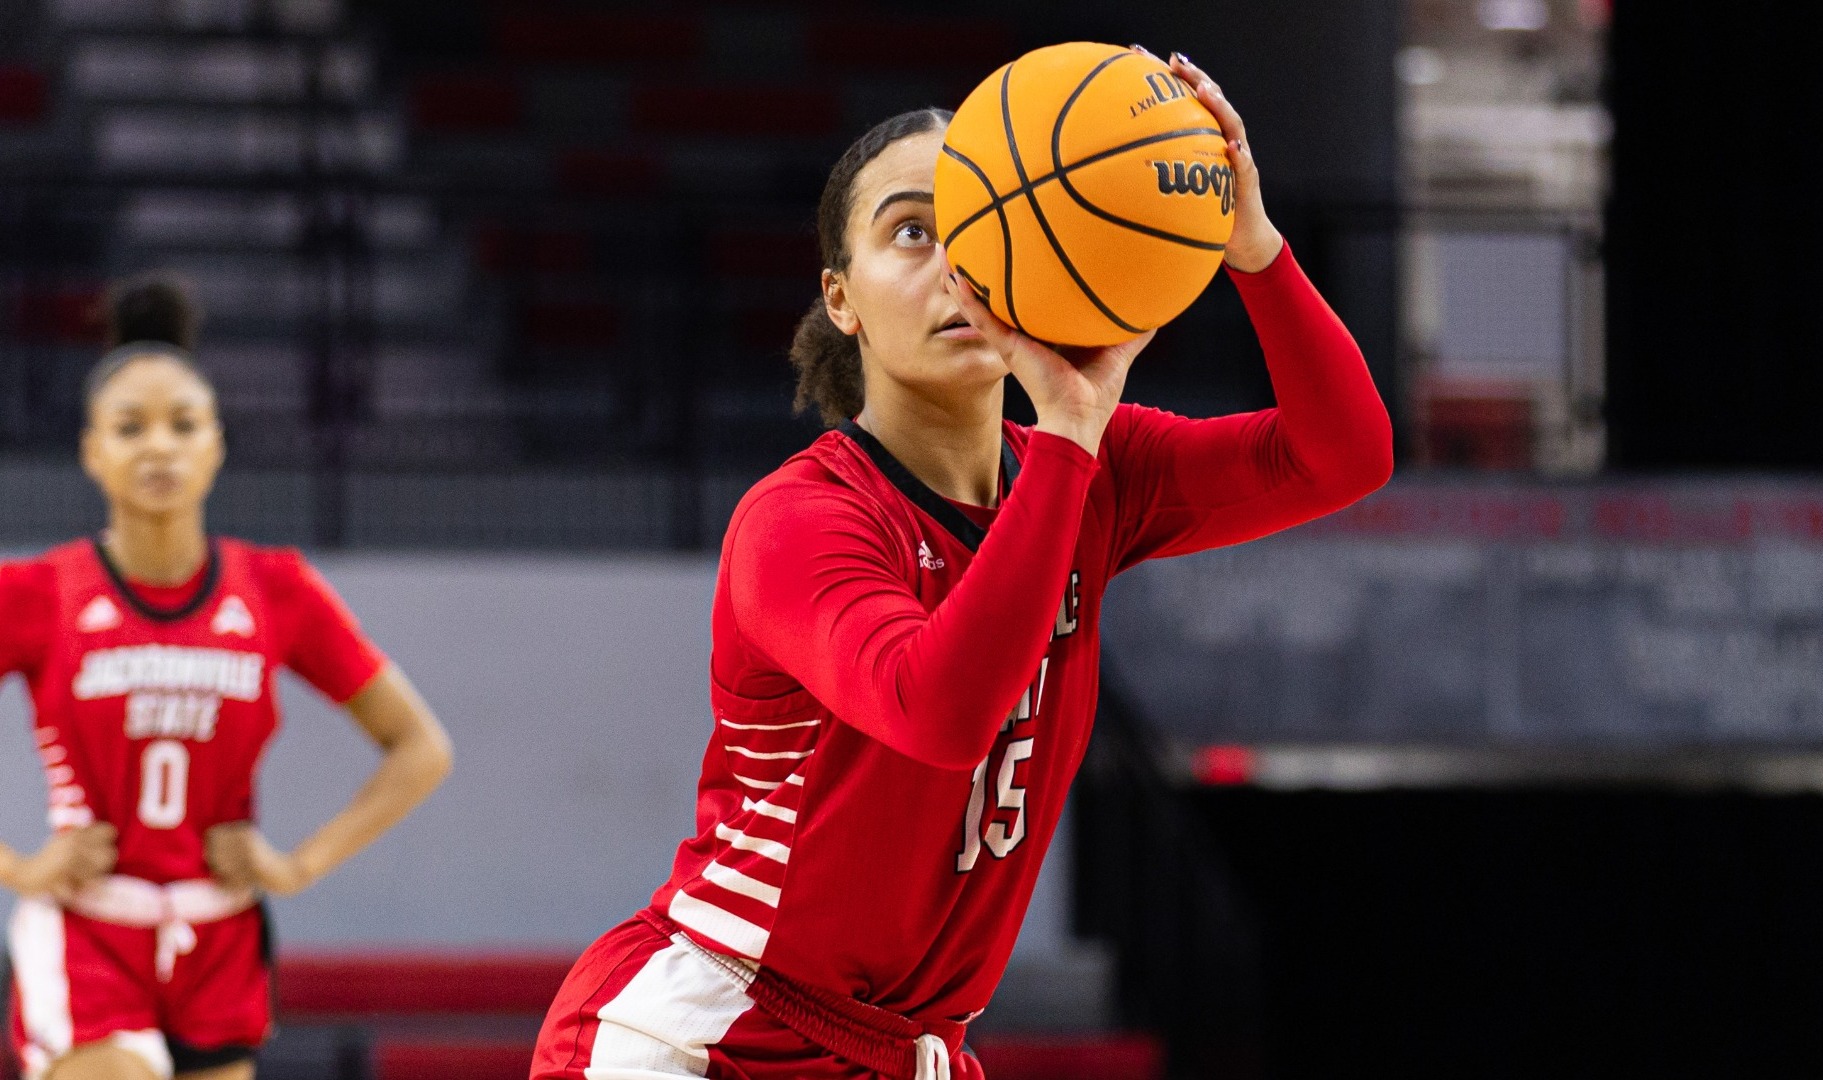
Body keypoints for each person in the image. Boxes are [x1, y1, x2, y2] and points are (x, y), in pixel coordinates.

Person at [532, 48, 1392, 1080]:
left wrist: (1251, 248)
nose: (962, 262)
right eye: (912, 230)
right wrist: (1071, 435)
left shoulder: (1094, 474)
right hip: (710, 1031)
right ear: (840, 299)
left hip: (912, 1050)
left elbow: (1342, 455)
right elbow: (942, 712)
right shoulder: (799, 520)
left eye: (990, 223)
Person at [0, 275, 454, 1080]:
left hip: (220, 934)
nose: (159, 445)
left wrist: (298, 865)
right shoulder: (40, 592)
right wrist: (19, 866)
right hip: (92, 931)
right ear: (92, 452)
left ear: (216, 444)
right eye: (130, 427)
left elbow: (419, 747)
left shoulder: (276, 588)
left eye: (183, 424)